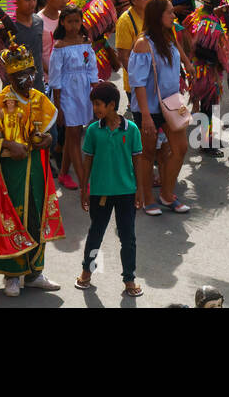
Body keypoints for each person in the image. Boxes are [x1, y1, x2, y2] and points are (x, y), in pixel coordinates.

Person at [0, 42, 63, 297]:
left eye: (30, 73)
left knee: (36, 218)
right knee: (12, 218)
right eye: (19, 76)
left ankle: (36, 272)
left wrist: (49, 141)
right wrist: (7, 144)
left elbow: (51, 135)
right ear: (9, 76)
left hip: (37, 171)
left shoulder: (40, 99)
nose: (26, 80)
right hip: (9, 174)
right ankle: (12, 276)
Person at [77, 82, 145, 297]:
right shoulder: (93, 131)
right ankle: (87, 272)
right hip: (100, 192)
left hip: (126, 192)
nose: (95, 109)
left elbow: (137, 161)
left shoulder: (132, 130)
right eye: (94, 104)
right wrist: (84, 188)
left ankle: (129, 279)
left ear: (112, 105)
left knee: (128, 237)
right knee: (96, 233)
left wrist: (140, 190)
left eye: (98, 104)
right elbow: (87, 160)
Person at [128, 0, 191, 212]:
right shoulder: (143, 44)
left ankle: (166, 193)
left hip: (172, 105)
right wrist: (145, 115)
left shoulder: (168, 36)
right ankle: (147, 199)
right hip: (150, 109)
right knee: (147, 154)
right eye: (169, 13)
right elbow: (138, 83)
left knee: (180, 148)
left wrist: (188, 65)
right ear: (157, 16)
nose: (174, 16)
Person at [48, 5, 98, 191]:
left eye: (77, 21)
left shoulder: (86, 42)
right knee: (74, 135)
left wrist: (94, 90)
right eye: (70, 21)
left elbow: (92, 68)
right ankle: (84, 180)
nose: (74, 25)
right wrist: (59, 105)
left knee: (73, 133)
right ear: (62, 22)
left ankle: (63, 173)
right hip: (67, 93)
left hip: (83, 92)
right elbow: (55, 78)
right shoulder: (59, 47)